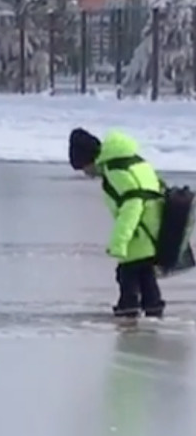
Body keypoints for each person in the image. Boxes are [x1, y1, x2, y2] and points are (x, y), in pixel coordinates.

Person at [68, 127, 166, 318]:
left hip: (140, 230)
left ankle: (127, 311)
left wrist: (119, 241)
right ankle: (153, 310)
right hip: (154, 226)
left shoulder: (116, 171)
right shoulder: (131, 161)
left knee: (127, 272)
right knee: (145, 271)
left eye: (84, 168)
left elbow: (132, 204)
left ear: (90, 159)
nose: (86, 174)